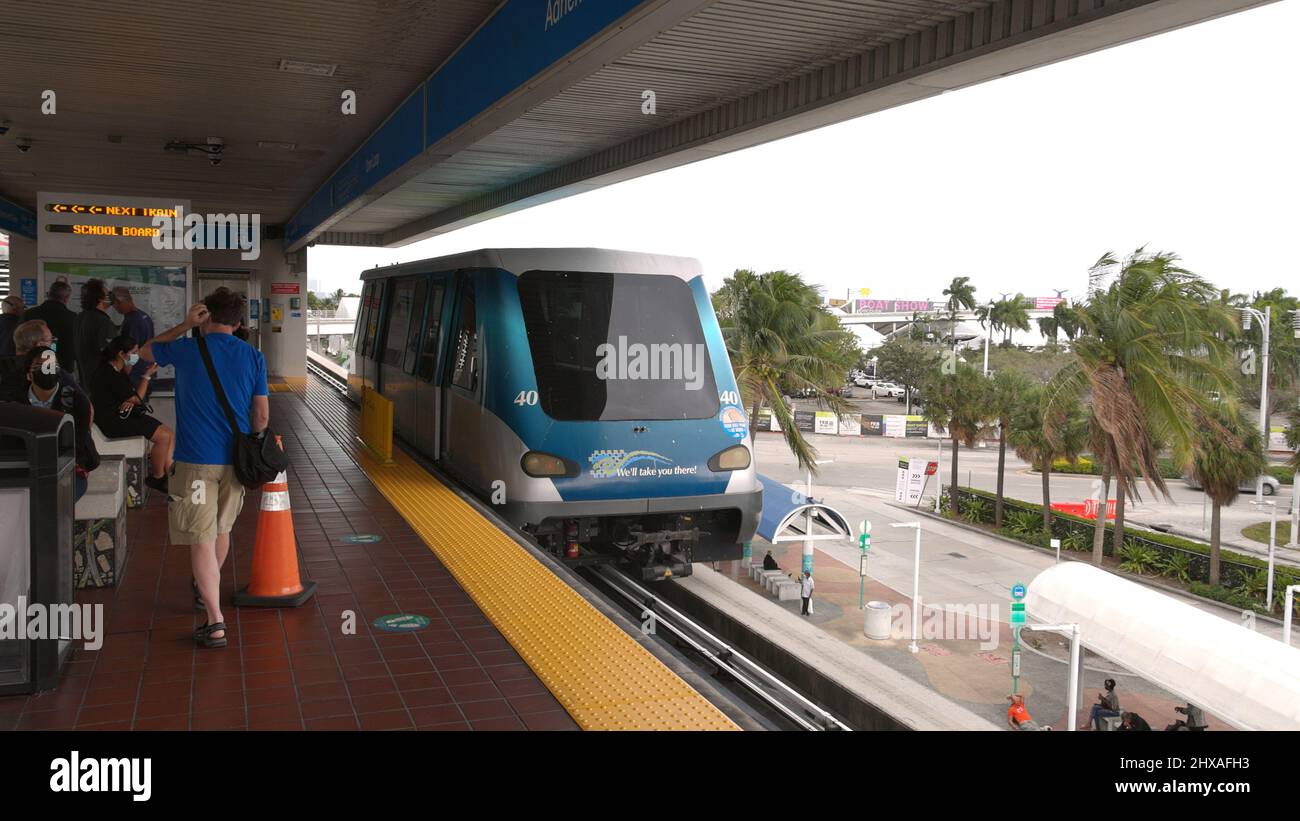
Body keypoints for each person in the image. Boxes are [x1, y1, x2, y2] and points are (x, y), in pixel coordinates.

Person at [141, 290, 269, 650]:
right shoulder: (253, 356)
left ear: (206, 315)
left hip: (196, 463)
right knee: (221, 528)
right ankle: (205, 589)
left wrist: (184, 325)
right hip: (235, 464)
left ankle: (215, 621)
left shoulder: (187, 349)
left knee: (201, 537)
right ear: (240, 323)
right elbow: (261, 416)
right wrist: (252, 442)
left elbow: (145, 351)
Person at [0, 346, 99, 500]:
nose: (48, 370)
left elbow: (77, 446)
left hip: (66, 470)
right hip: (25, 469)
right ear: (28, 374)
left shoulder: (76, 401)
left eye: (52, 366)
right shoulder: (14, 403)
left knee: (56, 499)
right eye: (41, 367)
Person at [89, 335, 172, 493]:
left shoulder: (116, 370)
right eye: (133, 352)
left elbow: (132, 399)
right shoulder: (109, 373)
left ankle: (169, 475)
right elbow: (137, 399)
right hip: (113, 421)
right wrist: (147, 377)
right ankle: (158, 477)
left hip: (123, 415)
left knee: (169, 433)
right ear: (121, 354)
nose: (136, 356)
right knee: (164, 437)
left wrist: (132, 400)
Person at [72, 279, 118, 385]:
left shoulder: (79, 318)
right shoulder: (103, 322)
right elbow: (111, 355)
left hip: (84, 380)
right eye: (107, 294)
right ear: (100, 298)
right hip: (101, 383)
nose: (110, 297)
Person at [109, 287, 155, 391]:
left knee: (131, 406)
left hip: (135, 375)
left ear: (119, 301)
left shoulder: (132, 321)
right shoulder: (143, 315)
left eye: (114, 304)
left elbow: (131, 350)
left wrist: (124, 374)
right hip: (145, 371)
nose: (115, 308)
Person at [25, 281, 77, 373]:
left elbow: (20, 341)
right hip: (63, 368)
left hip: (33, 366)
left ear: (48, 295)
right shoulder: (73, 318)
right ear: (66, 298)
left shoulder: (29, 314)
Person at [0, 294, 26, 358]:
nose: (24, 310)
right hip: (13, 363)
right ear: (14, 308)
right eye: (23, 307)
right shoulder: (23, 325)